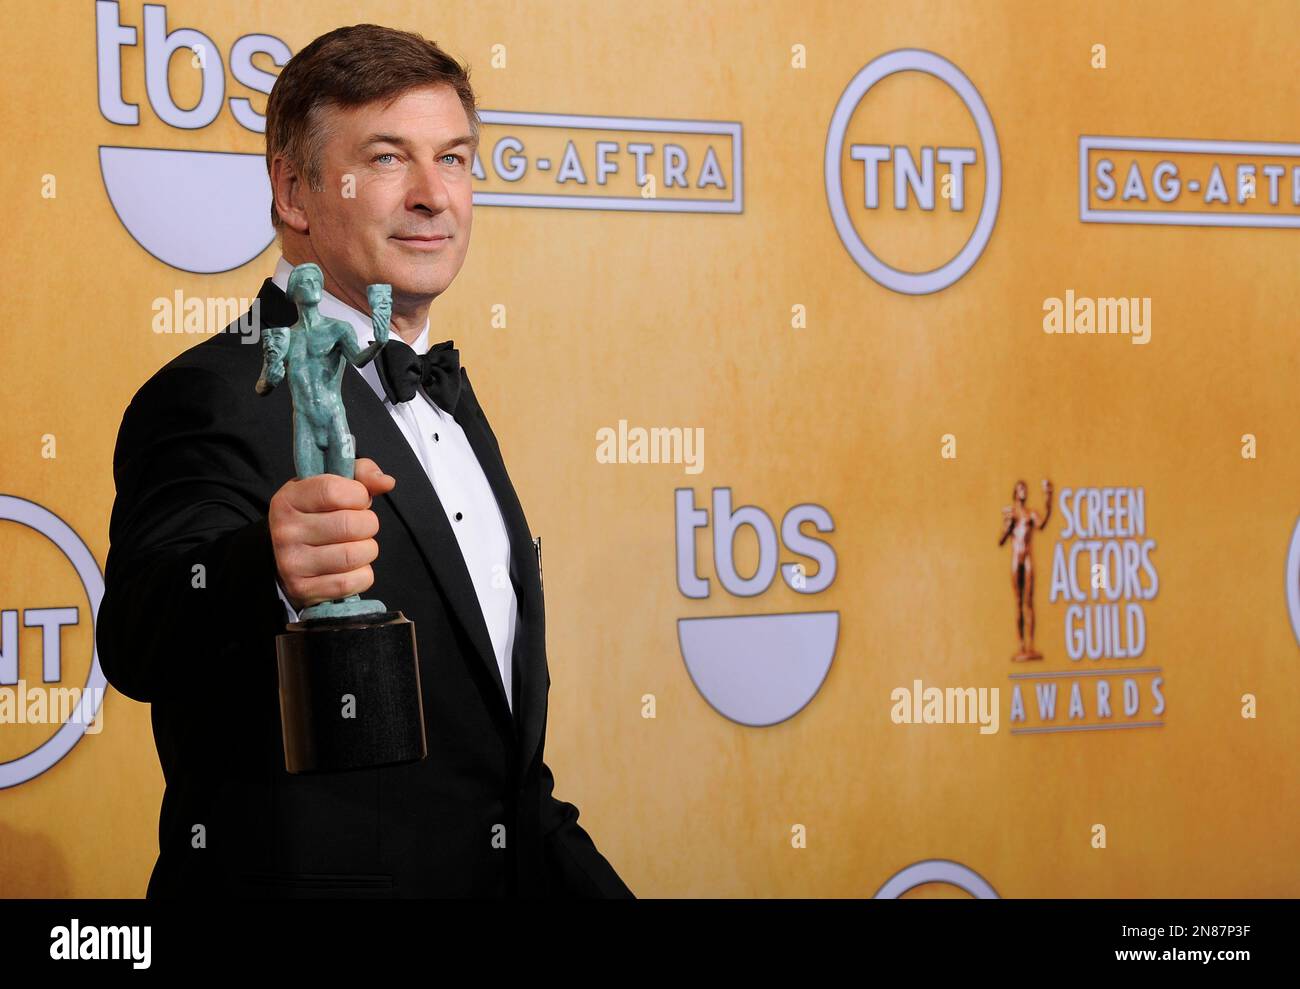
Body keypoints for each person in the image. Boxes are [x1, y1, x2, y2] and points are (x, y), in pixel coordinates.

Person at [97, 22, 633, 898]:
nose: (434, 195)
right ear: (294, 190)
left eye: (454, 159)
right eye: (387, 159)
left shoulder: (447, 394)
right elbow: (138, 639)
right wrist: (262, 565)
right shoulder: (213, 391)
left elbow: (498, 771)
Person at [998, 478, 1053, 662]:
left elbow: (1043, 523)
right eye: (1020, 489)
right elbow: (1001, 541)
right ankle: (1021, 645)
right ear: (1015, 493)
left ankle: (1030, 645)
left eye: (1025, 489)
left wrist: (1048, 498)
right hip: (1016, 558)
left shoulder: (1030, 515)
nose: (1024, 492)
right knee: (1018, 602)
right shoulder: (1011, 514)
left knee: (1028, 602)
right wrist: (1008, 527)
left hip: (1027, 558)